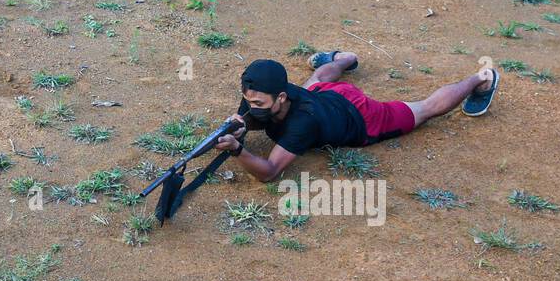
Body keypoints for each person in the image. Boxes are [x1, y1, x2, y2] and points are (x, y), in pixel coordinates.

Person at [214, 53, 499, 181]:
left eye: (259, 103)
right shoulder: (259, 91)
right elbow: (253, 117)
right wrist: (242, 125)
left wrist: (239, 149)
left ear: (282, 97)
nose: (252, 106)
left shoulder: (303, 123)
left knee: (423, 109)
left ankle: (480, 78)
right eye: (249, 101)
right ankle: (345, 59)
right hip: (326, 94)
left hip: (360, 116)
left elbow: (270, 172)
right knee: (315, 80)